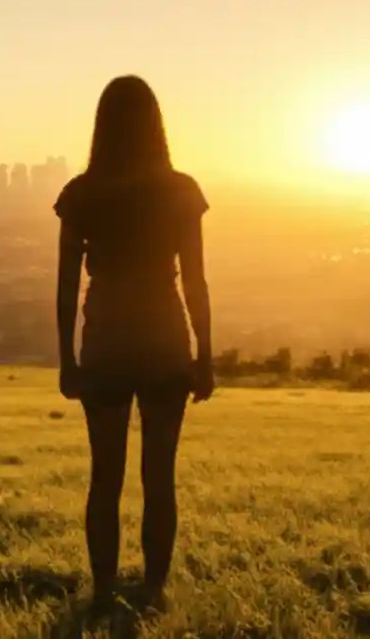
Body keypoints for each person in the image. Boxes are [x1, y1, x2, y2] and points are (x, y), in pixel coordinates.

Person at [54, 75, 214, 613]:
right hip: (165, 340)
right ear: (156, 124)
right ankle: (152, 592)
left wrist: (67, 360)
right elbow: (195, 280)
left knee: (105, 479)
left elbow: (64, 284)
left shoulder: (81, 193)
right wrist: (204, 356)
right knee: (159, 478)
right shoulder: (179, 190)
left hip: (106, 343)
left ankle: (102, 593)